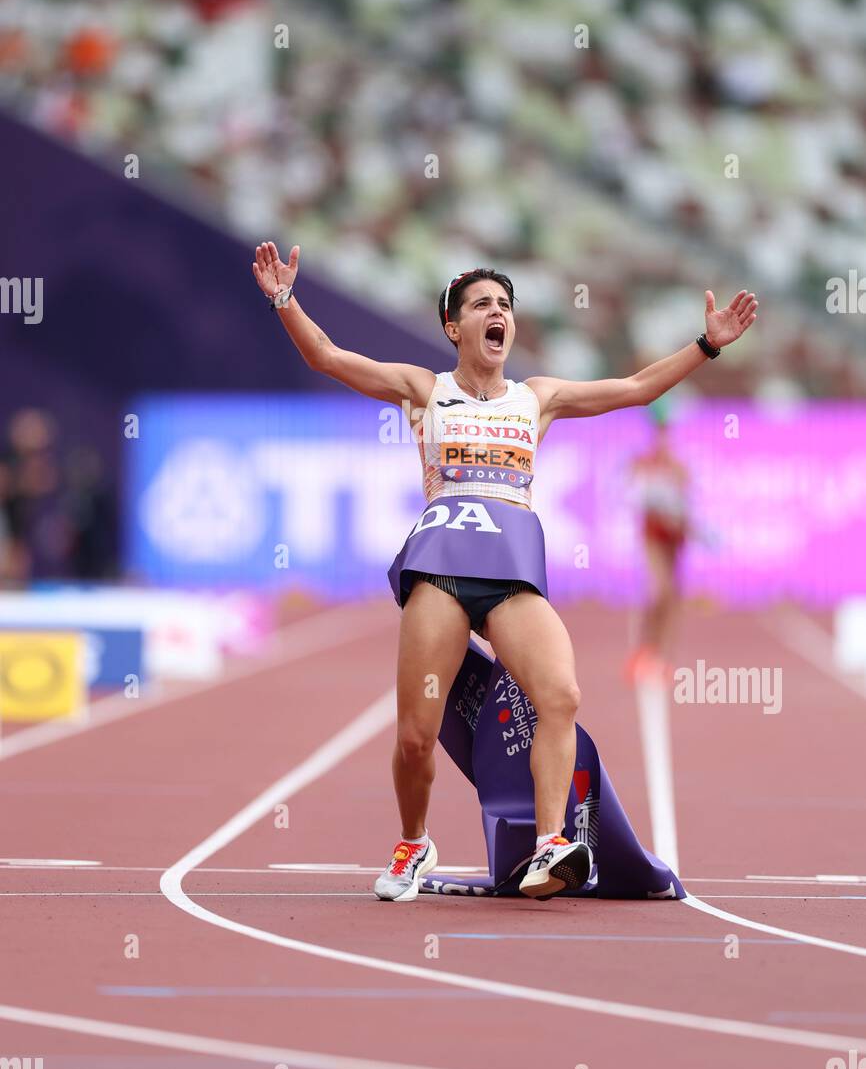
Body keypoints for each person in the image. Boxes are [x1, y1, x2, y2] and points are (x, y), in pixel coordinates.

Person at [252, 243, 758, 900]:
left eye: (506, 306)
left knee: (561, 697)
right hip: (441, 571)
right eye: (483, 305)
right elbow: (327, 356)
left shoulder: (536, 399)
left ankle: (551, 846)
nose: (499, 314)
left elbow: (636, 390)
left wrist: (707, 346)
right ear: (454, 328)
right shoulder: (422, 390)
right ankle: (414, 843)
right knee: (414, 739)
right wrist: (285, 300)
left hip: (511, 574)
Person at [626, 406, 692, 682]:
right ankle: (642, 651)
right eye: (661, 432)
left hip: (674, 537)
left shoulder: (678, 467)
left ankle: (663, 656)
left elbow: (684, 504)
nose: (665, 438)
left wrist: (681, 522)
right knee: (659, 591)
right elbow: (636, 497)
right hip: (653, 533)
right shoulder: (643, 463)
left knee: (673, 596)